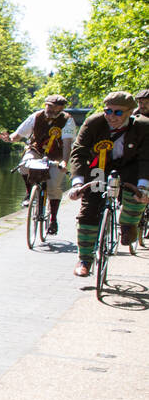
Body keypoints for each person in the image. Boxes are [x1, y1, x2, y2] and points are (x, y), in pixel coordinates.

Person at [67, 91, 149, 274]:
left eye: (118, 112)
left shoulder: (143, 126)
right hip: (98, 168)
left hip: (131, 167)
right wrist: (77, 184)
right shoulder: (93, 123)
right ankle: (85, 260)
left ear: (130, 112)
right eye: (108, 111)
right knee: (88, 210)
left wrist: (144, 187)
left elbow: (146, 159)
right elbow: (79, 153)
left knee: (138, 195)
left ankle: (129, 225)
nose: (111, 116)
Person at [0, 94, 75, 235]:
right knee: (24, 165)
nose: (50, 110)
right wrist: (9, 139)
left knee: (53, 186)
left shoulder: (67, 121)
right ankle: (29, 193)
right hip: (36, 151)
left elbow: (67, 145)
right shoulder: (36, 116)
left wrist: (64, 161)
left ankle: (53, 220)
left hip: (56, 156)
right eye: (49, 106)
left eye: (54, 108)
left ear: (61, 109)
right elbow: (20, 134)